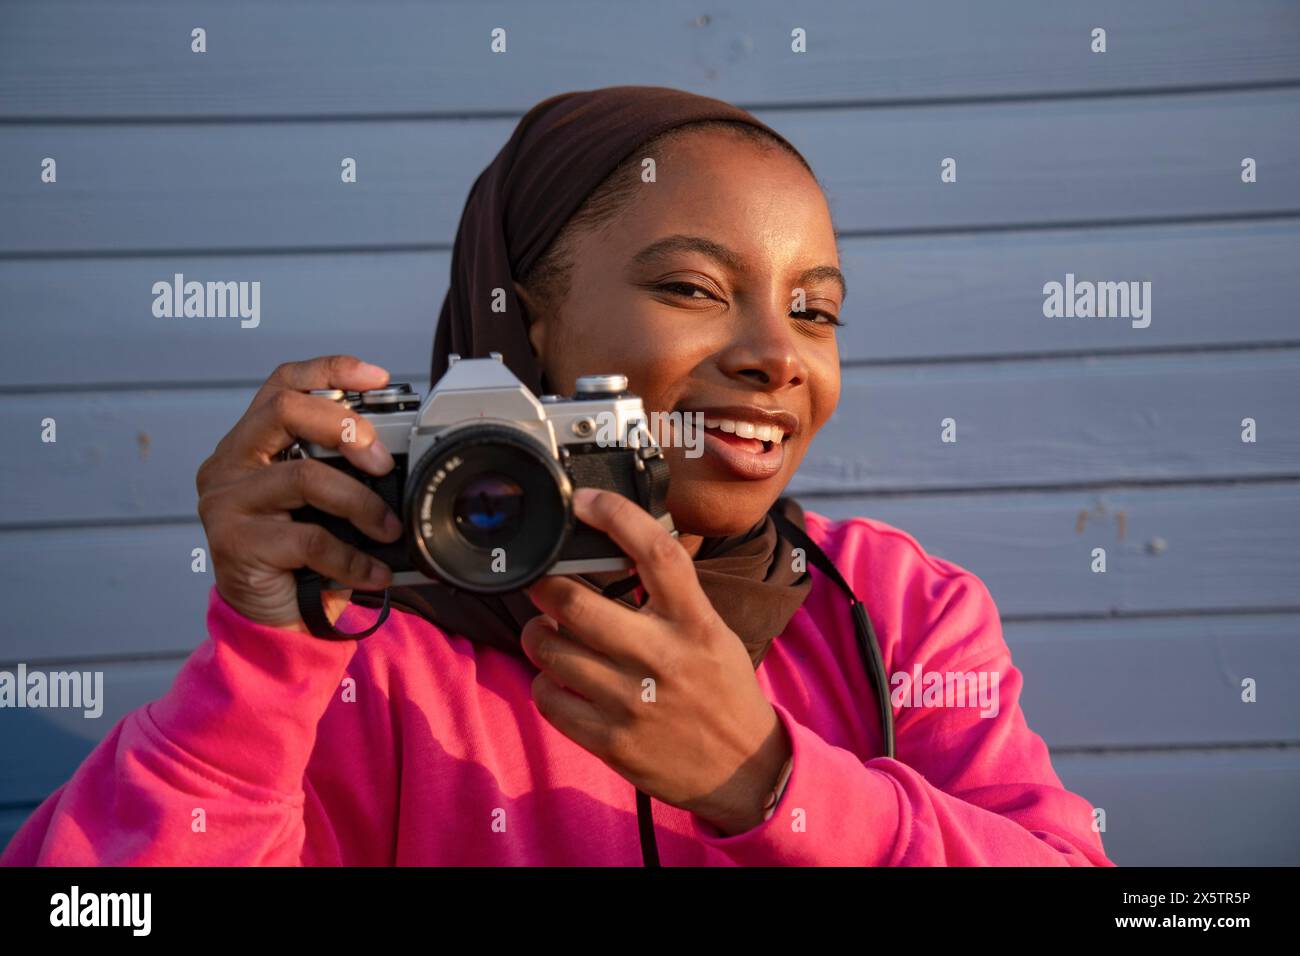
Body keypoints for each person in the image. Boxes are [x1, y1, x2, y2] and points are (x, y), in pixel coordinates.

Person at [2, 86, 1113, 866]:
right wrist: (256, 670)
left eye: (815, 310)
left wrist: (770, 778)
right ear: (522, 319)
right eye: (692, 287)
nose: (780, 354)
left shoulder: (903, 611)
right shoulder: (365, 641)